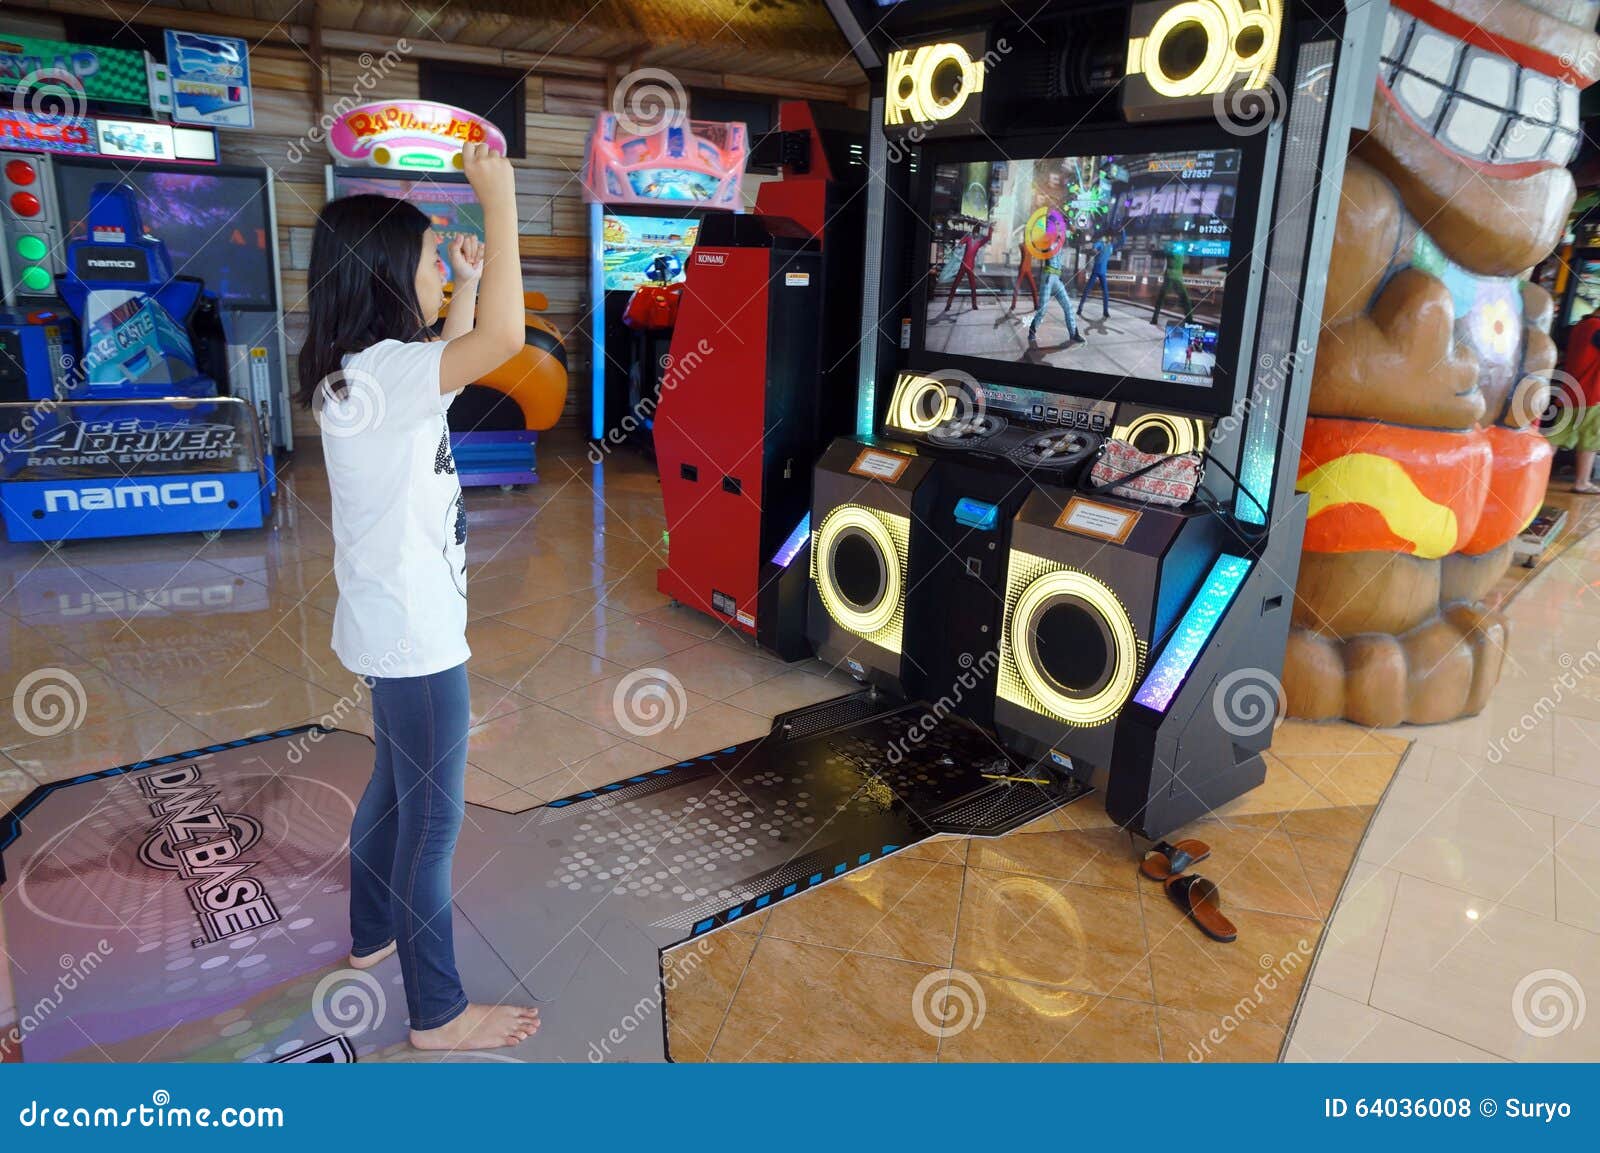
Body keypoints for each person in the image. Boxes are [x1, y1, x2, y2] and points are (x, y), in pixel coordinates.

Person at [296, 142, 540, 1051]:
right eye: (437, 254)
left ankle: (369, 938)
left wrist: (467, 281)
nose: (445, 265)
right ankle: (437, 1011)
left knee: (394, 789)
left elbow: (454, 353)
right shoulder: (392, 373)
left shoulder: (360, 371)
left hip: (381, 625)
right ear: (391, 270)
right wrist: (501, 202)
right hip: (420, 638)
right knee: (431, 824)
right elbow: (501, 347)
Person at [1550, 312, 1600, 494]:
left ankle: (1534, 475)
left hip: (1571, 393)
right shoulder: (1597, 327)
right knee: (1591, 439)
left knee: (1554, 439)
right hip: (1592, 394)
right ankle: (1582, 482)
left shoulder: (1581, 326)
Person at [1027, 247, 1086, 349]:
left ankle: (1074, 333)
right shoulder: (1047, 241)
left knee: (1068, 306)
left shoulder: (1060, 242)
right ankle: (1032, 330)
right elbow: (1041, 249)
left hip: (1057, 278)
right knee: (1042, 310)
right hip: (1048, 277)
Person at [943, 220, 991, 311]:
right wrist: (960, 244)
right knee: (955, 285)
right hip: (964, 266)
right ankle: (948, 304)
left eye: (977, 232)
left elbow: (988, 238)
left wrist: (990, 228)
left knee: (973, 286)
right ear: (973, 232)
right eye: (975, 232)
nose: (976, 234)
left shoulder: (979, 243)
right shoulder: (969, 238)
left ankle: (974, 305)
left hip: (970, 267)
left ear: (978, 233)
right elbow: (961, 242)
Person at [1149, 239, 1195, 326]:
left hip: (1169, 277)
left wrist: (1153, 249)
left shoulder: (1170, 251)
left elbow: (1160, 253)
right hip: (1176, 278)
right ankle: (1190, 320)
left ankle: (1154, 319)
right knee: (1185, 300)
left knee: (1161, 299)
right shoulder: (1180, 251)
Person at [1078, 229, 1116, 318]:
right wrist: (1095, 249)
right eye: (1108, 236)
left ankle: (1105, 311)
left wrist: (1123, 232)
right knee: (1087, 290)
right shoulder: (1101, 243)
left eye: (1110, 237)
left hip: (1103, 272)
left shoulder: (1110, 246)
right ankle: (1080, 308)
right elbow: (1095, 246)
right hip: (1096, 271)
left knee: (1105, 293)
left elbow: (1122, 241)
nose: (1109, 238)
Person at [1009, 236, 1038, 312]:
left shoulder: (1031, 245)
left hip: (1028, 269)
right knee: (1017, 287)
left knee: (1033, 287)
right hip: (1023, 268)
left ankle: (1036, 305)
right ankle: (1013, 305)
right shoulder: (1022, 245)